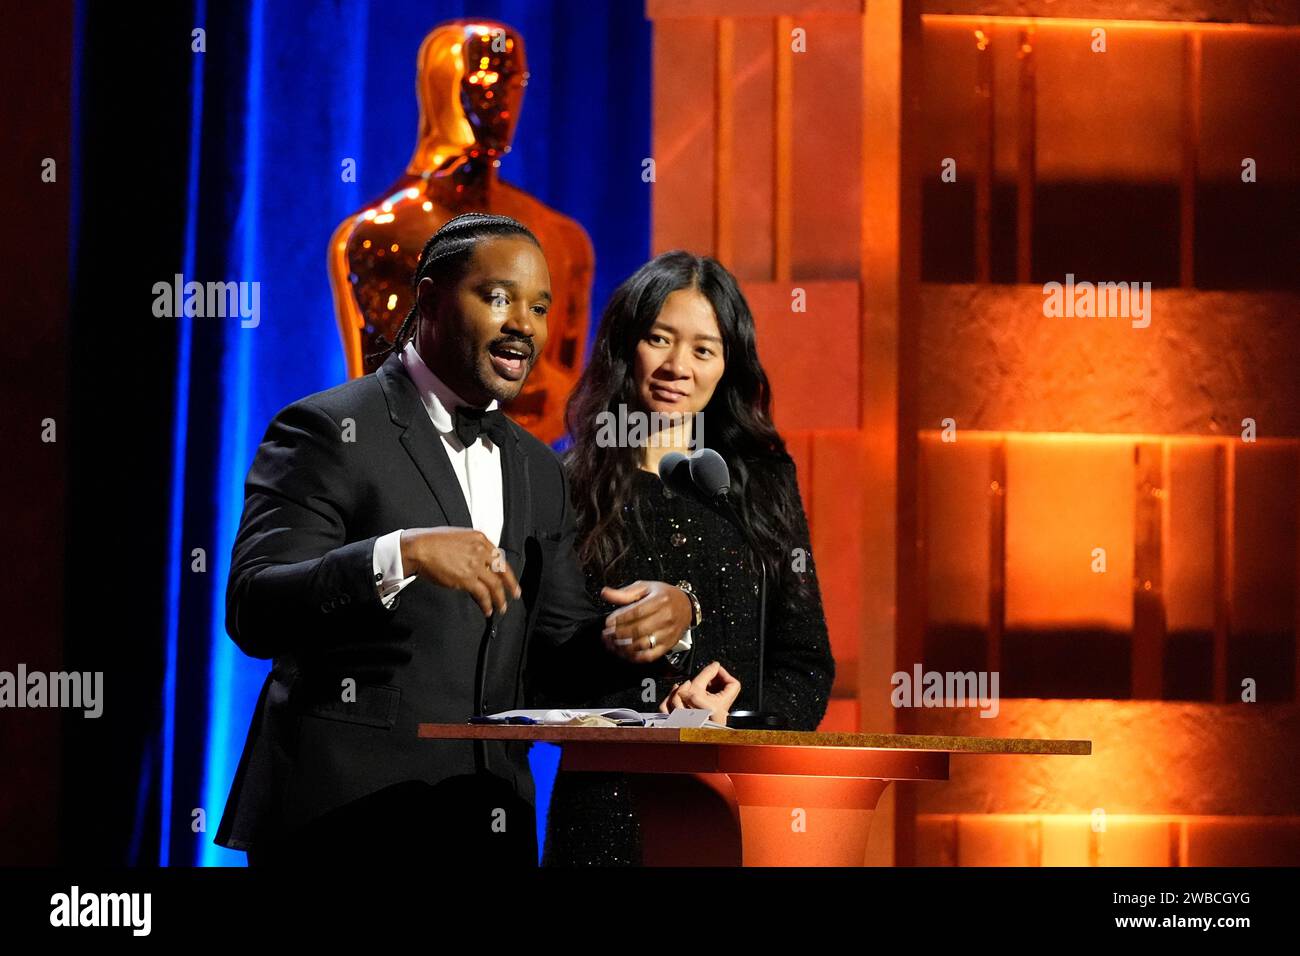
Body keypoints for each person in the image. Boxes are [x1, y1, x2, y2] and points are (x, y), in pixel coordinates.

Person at [214, 213, 693, 866]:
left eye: (540, 306)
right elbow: (254, 610)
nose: (524, 323)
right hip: (341, 828)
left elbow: (554, 659)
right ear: (431, 300)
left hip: (482, 825)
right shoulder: (326, 430)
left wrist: (643, 630)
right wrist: (398, 554)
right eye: (498, 298)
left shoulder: (537, 466)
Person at [536, 251, 836, 866]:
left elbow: (806, 667)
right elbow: (541, 672)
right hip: (607, 812)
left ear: (727, 366)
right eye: (659, 340)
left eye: (704, 349)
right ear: (626, 347)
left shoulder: (761, 484)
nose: (678, 367)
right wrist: (621, 650)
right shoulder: (564, 486)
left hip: (732, 810)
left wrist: (732, 712)